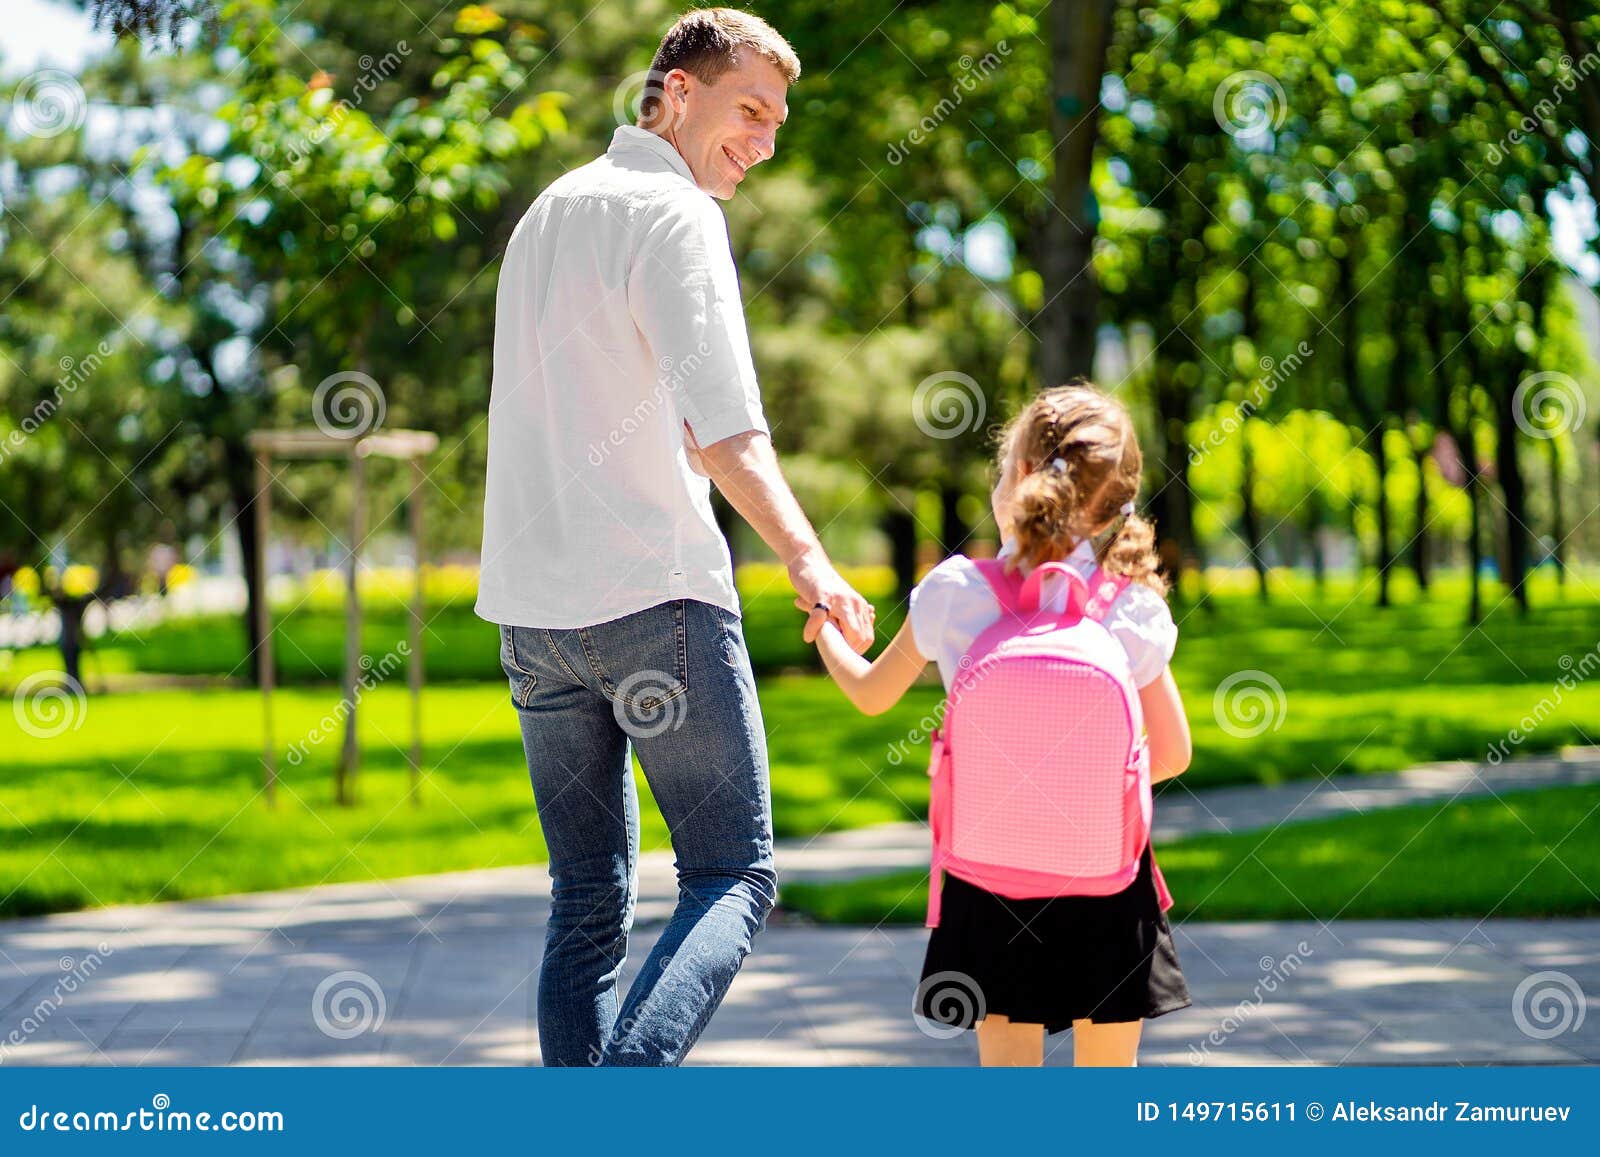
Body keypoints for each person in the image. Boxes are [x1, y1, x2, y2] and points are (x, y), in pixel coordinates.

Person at [475, 8, 875, 1066]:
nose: (766, 141)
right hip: (656, 599)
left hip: (534, 617)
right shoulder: (676, 213)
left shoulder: (549, 212)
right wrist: (810, 560)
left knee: (586, 896)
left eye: (778, 121)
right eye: (751, 110)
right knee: (732, 872)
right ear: (677, 92)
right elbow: (725, 429)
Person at [801, 384, 1193, 1067]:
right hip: (1107, 883)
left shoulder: (956, 591)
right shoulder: (1129, 608)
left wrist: (827, 633)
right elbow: (1173, 754)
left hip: (990, 884)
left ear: (1020, 477)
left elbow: (869, 693)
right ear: (1116, 504)